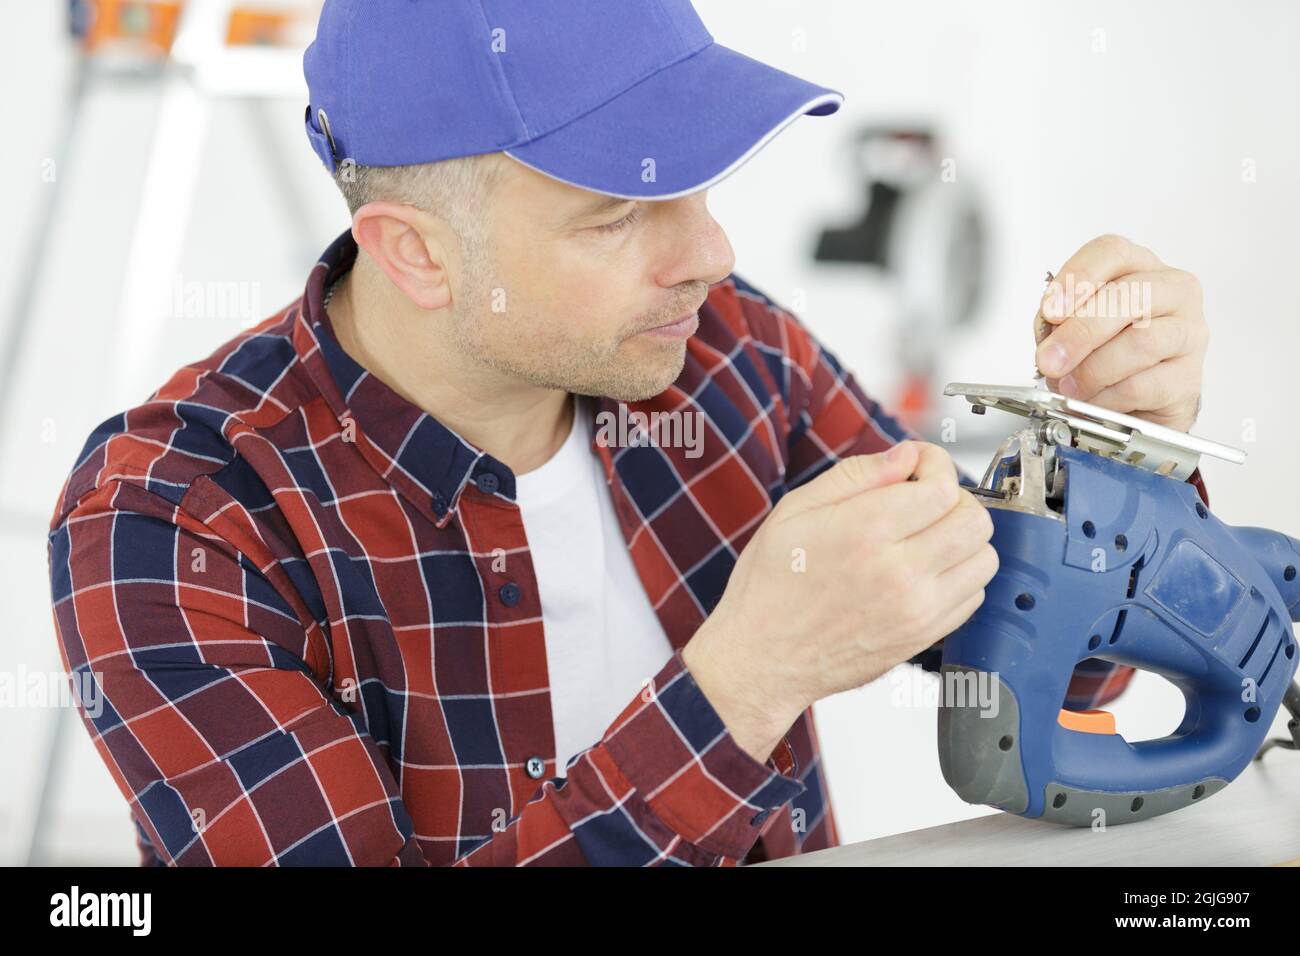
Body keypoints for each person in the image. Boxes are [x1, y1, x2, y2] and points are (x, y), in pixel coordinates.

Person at [47, 0, 1210, 866]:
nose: (707, 252)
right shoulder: (173, 521)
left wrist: (1126, 462)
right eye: (617, 214)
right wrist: (742, 681)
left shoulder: (727, 356)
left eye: (699, 181)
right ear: (415, 253)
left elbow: (1049, 660)